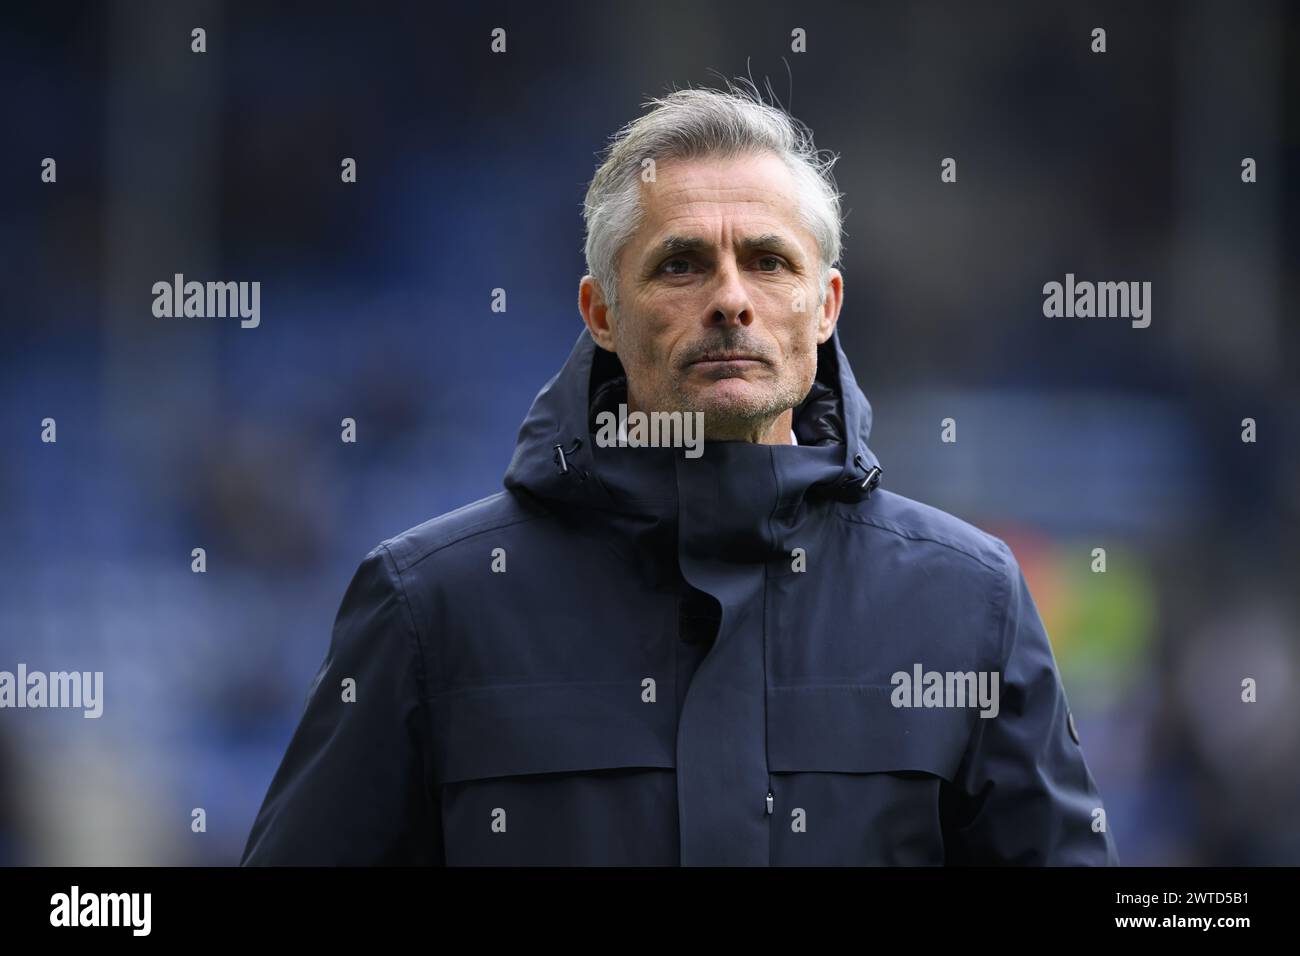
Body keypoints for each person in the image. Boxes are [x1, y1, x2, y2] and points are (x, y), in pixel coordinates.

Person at [241, 80, 1119, 866]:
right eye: (682, 263)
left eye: (769, 262)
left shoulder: (970, 602)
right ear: (603, 315)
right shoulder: (429, 605)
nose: (731, 297)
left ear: (826, 307)